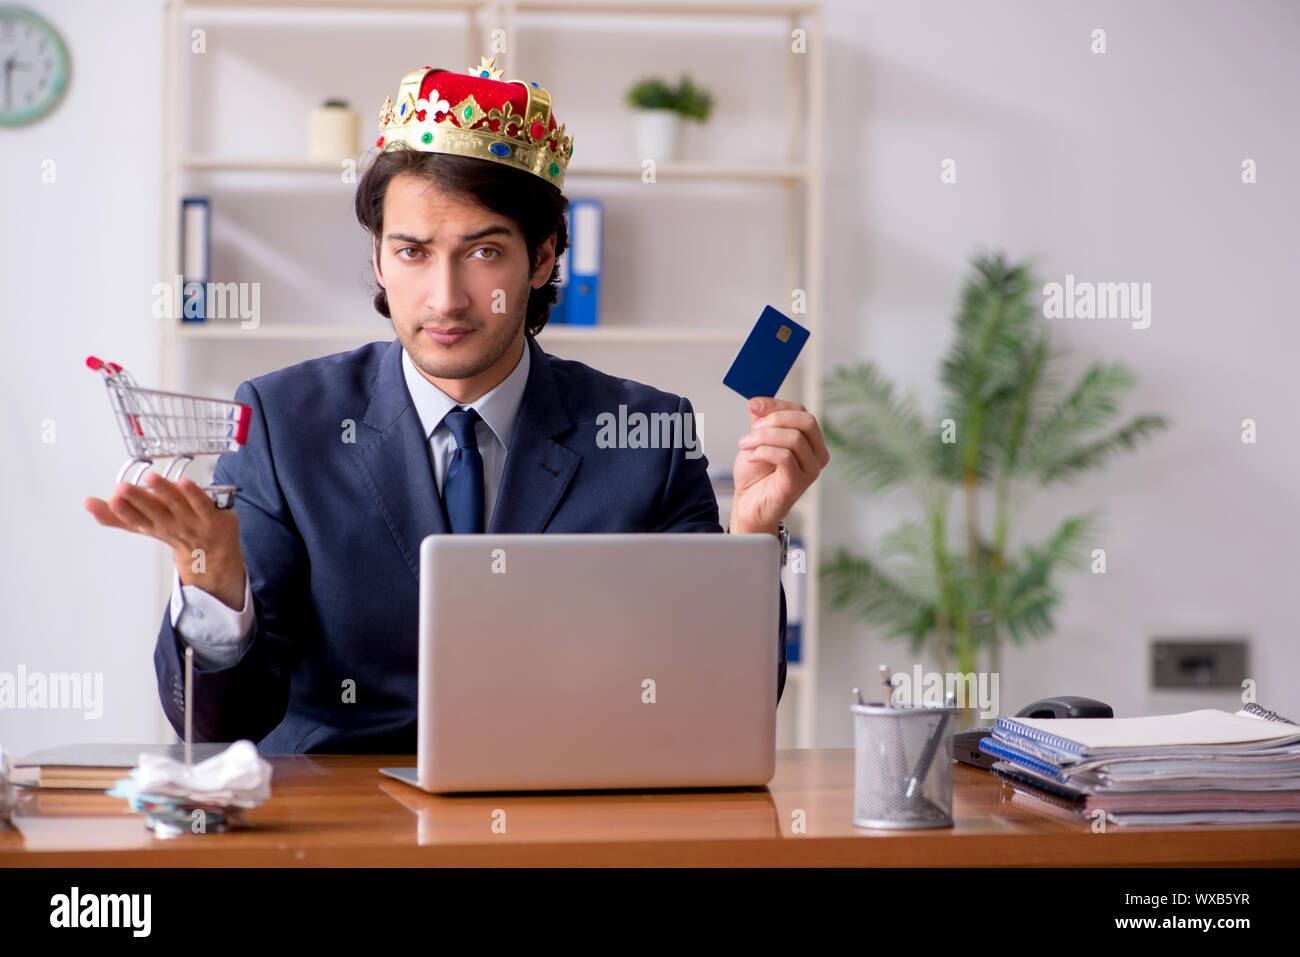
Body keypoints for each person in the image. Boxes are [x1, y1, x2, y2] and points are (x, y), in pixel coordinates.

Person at [84, 57, 829, 754]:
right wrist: (214, 581)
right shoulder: (283, 423)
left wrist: (752, 539)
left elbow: (722, 703)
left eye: (482, 252)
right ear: (376, 258)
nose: (445, 297)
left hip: (570, 817)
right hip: (345, 824)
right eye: (411, 252)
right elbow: (219, 725)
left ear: (541, 258)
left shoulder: (649, 433)